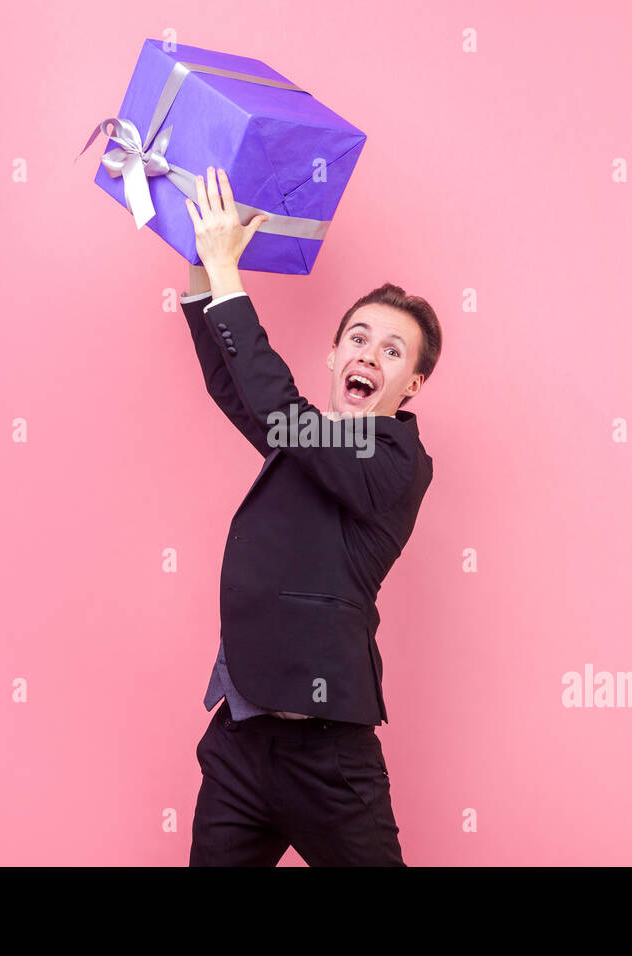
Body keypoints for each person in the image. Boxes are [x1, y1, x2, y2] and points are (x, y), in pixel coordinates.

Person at [179, 166, 442, 866]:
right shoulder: (308, 439)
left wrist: (229, 272)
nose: (370, 355)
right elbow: (239, 393)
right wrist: (206, 266)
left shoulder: (394, 459)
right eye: (358, 339)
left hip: (328, 759)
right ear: (333, 356)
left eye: (393, 352)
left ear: (411, 386)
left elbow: (280, 413)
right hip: (240, 740)